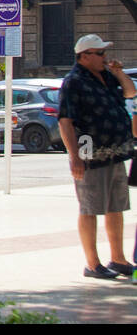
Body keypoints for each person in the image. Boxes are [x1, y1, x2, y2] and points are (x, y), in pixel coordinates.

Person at [57, 34, 137, 280]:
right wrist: (74, 157)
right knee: (90, 206)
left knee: (116, 206)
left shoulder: (107, 78)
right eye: (100, 53)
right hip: (88, 150)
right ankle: (92, 264)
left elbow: (130, 93)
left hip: (115, 151)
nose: (104, 57)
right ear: (84, 56)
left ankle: (119, 259)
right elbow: (65, 121)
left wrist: (119, 73)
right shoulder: (73, 82)